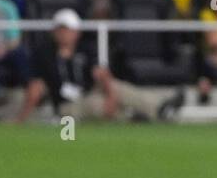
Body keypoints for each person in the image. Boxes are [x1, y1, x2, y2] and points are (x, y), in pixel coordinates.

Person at [17, 8, 182, 122]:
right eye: (62, 29)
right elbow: (35, 87)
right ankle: (132, 117)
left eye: (69, 30)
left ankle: (160, 108)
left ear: (77, 32)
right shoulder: (44, 55)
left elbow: (101, 74)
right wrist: (20, 119)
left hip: (89, 93)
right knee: (96, 105)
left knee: (117, 87)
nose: (65, 34)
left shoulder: (85, 50)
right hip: (67, 105)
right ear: (54, 31)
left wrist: (110, 95)